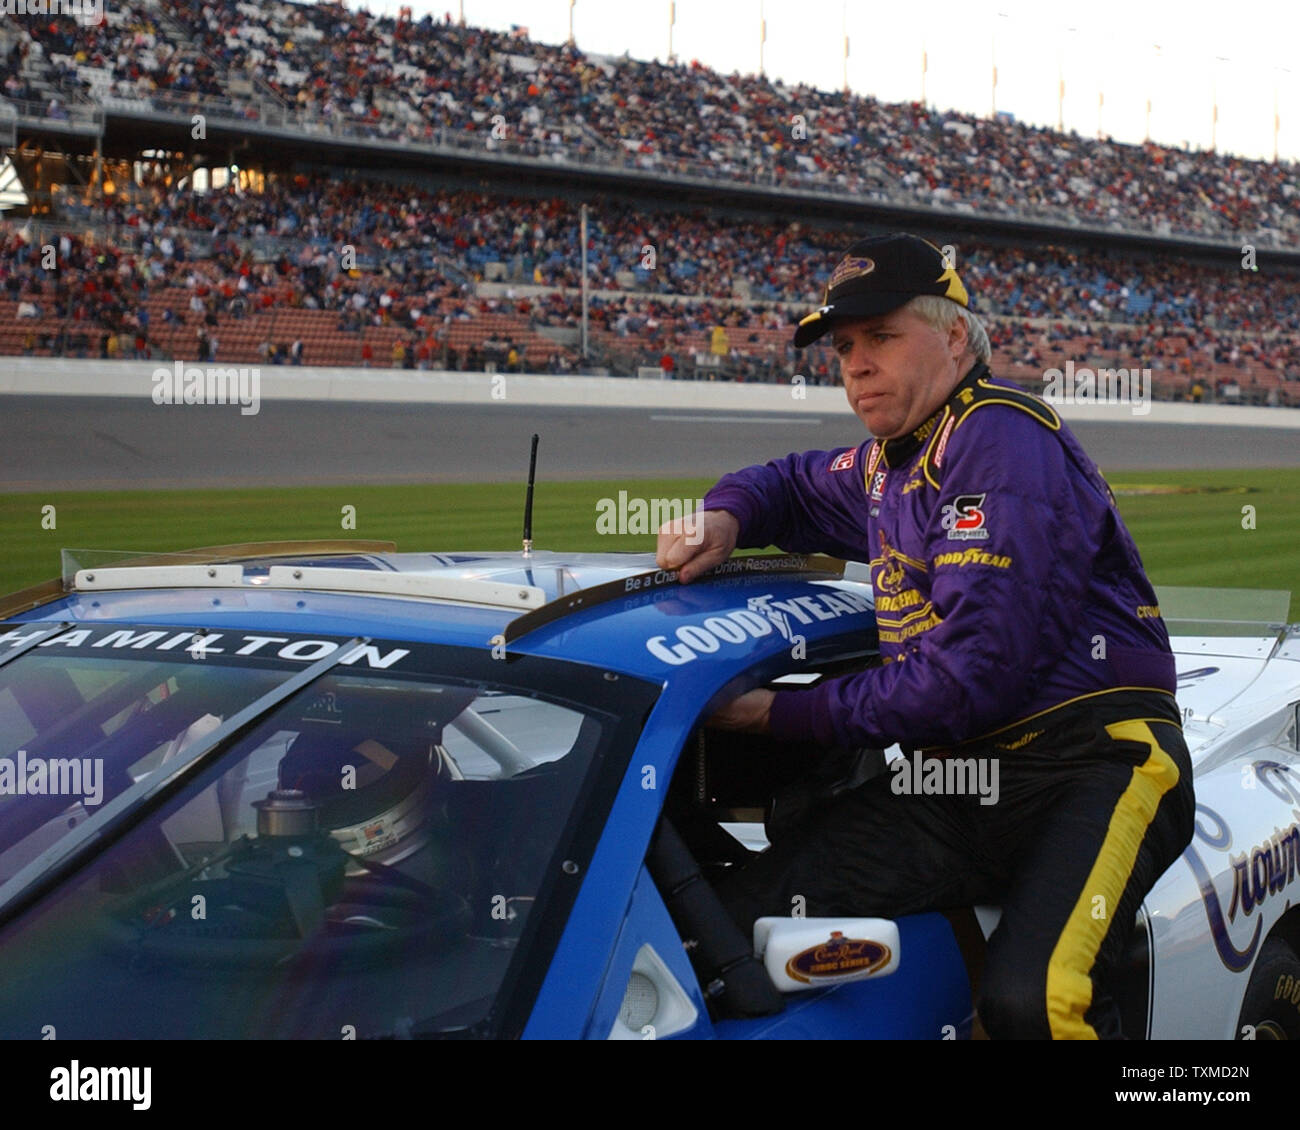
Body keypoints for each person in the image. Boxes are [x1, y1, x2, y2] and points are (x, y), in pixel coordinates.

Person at [656, 233, 1193, 1040]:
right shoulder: (887, 462)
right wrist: (726, 512)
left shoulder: (998, 437)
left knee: (1033, 1005)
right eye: (842, 347)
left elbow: (967, 681)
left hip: (1094, 764)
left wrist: (773, 714)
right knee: (725, 928)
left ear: (952, 337)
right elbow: (791, 484)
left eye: (881, 337)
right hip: (958, 784)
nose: (856, 364)